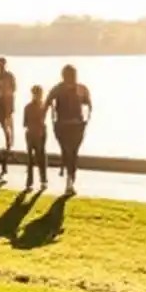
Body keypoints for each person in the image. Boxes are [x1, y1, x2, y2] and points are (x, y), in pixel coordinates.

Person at [45, 64, 92, 195]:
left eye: (73, 76)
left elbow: (89, 106)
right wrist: (48, 121)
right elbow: (47, 103)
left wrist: (85, 122)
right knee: (68, 152)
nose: (72, 79)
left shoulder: (81, 89)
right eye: (69, 76)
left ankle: (69, 177)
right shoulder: (58, 89)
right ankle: (69, 179)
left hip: (76, 126)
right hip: (62, 126)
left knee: (72, 153)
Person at [22, 84, 48, 191]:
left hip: (32, 134)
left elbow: (24, 123)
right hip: (39, 134)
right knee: (40, 157)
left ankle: (31, 182)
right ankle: (42, 180)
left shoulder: (28, 107)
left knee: (32, 159)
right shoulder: (42, 106)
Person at [0, 57, 18, 153]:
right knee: (2, 120)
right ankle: (8, 139)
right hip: (1, 100)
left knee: (8, 119)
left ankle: (10, 140)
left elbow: (14, 88)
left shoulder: (9, 76)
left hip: (7, 100)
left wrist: (6, 92)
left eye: (0, 64)